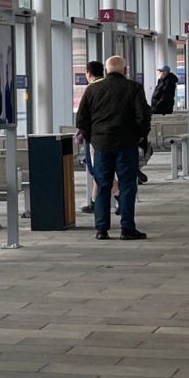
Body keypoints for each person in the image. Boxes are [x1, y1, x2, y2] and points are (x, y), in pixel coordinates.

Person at [75, 54, 151, 240]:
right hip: (126, 144)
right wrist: (140, 136)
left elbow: (82, 119)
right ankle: (127, 228)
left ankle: (101, 229)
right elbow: (143, 116)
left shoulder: (93, 90)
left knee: (102, 185)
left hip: (101, 144)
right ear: (125, 70)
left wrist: (93, 138)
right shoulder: (133, 88)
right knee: (127, 186)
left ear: (106, 70)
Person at [75, 60, 105, 214]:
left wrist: (85, 135)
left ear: (89, 73)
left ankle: (118, 196)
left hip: (95, 138)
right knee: (99, 171)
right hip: (112, 137)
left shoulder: (91, 90)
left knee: (98, 171)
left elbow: (82, 118)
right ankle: (94, 201)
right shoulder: (109, 87)